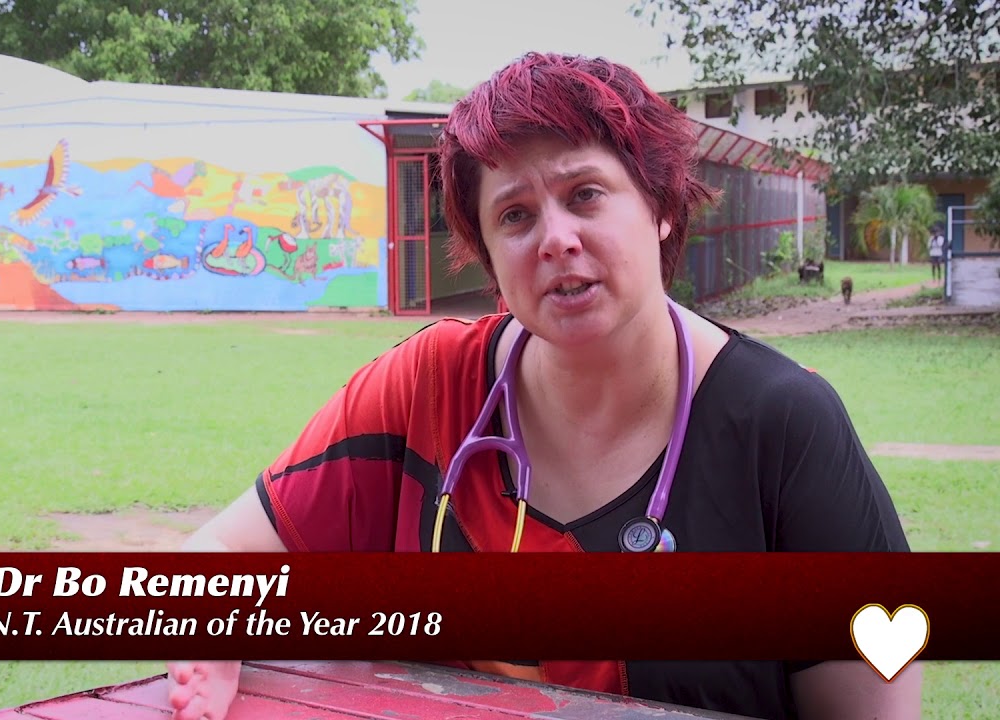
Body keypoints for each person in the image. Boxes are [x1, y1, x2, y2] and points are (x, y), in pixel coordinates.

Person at [167, 52, 920, 720]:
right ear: (490, 258)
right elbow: (219, 555)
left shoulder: (784, 426)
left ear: (660, 207)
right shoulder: (425, 388)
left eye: (585, 193)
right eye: (516, 215)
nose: (555, 239)